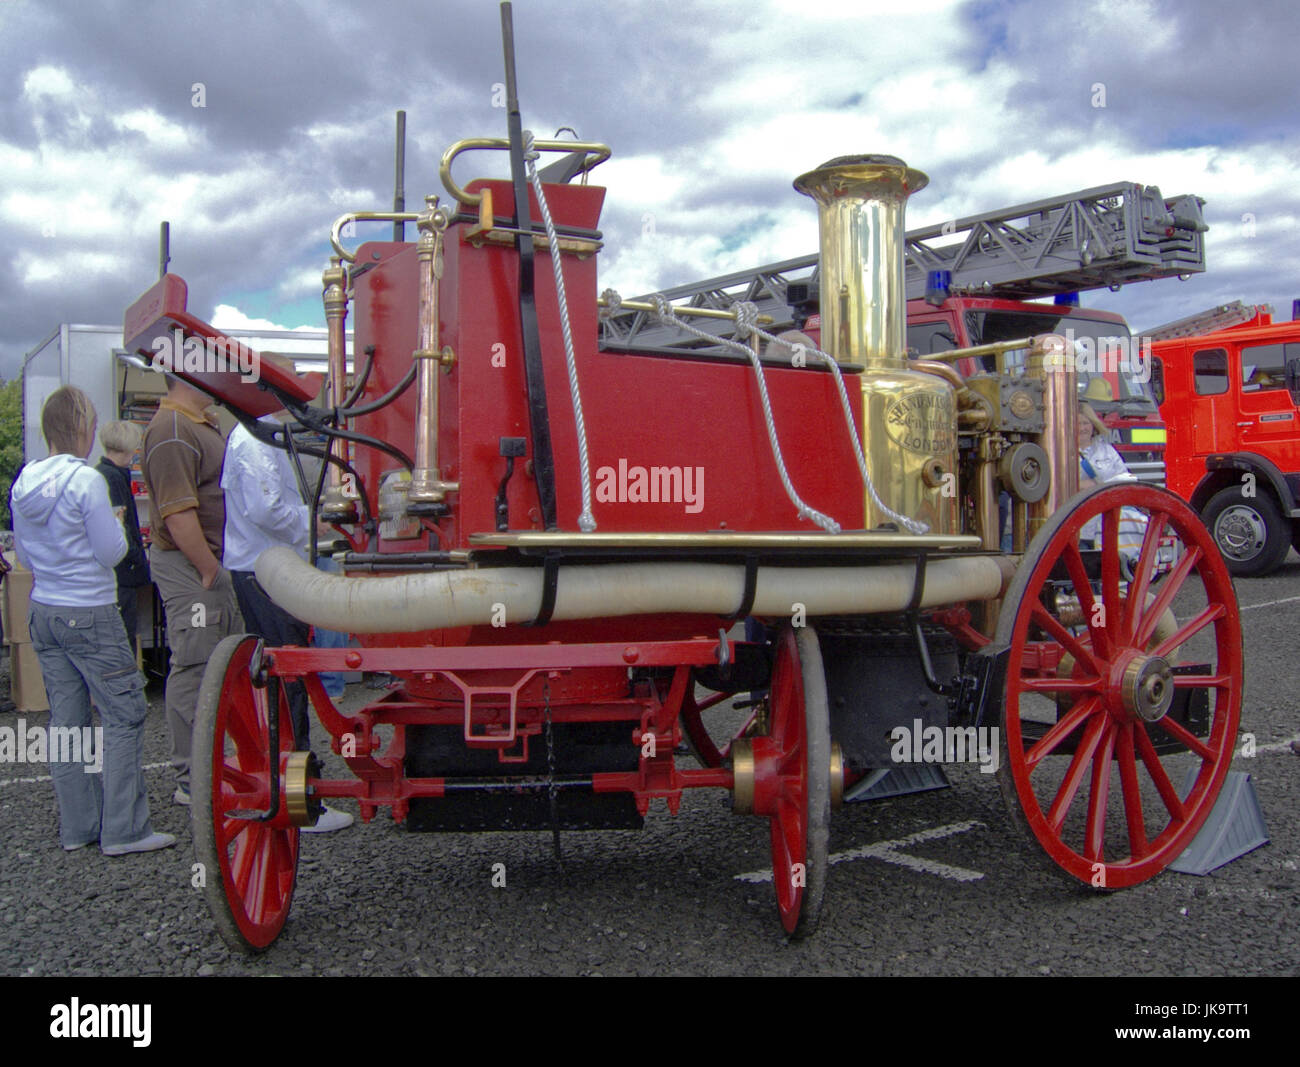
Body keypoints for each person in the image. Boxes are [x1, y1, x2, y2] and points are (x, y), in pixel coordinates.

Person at [11, 386, 174, 855]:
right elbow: (112, 553)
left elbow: (24, 554)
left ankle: (79, 827)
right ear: (83, 427)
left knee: (67, 722)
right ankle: (125, 830)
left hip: (45, 610)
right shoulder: (86, 482)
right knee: (125, 714)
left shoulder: (24, 481)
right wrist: (119, 522)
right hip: (90, 610)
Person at [221, 410, 352, 832]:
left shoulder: (254, 435)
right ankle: (298, 799)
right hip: (268, 568)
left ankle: (283, 785)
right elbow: (268, 510)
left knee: (279, 681)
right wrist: (314, 520)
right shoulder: (257, 439)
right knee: (286, 680)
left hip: (260, 566)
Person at [141, 375, 241, 806]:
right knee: (197, 664)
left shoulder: (198, 423)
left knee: (217, 664)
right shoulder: (171, 431)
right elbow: (178, 514)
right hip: (193, 568)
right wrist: (210, 571)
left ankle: (210, 769)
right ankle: (192, 779)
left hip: (205, 565)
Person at [95, 421, 151, 651]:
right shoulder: (114, 477)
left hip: (118, 569)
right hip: (122, 572)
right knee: (123, 637)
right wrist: (139, 559)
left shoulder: (105, 474)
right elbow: (121, 524)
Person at [1078, 401, 1145, 562]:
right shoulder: (1061, 451)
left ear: (1093, 425)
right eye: (1077, 423)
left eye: (1085, 423)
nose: (1082, 428)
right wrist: (1079, 486)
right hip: (1079, 525)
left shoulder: (1107, 451)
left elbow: (1123, 478)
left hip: (1106, 522)